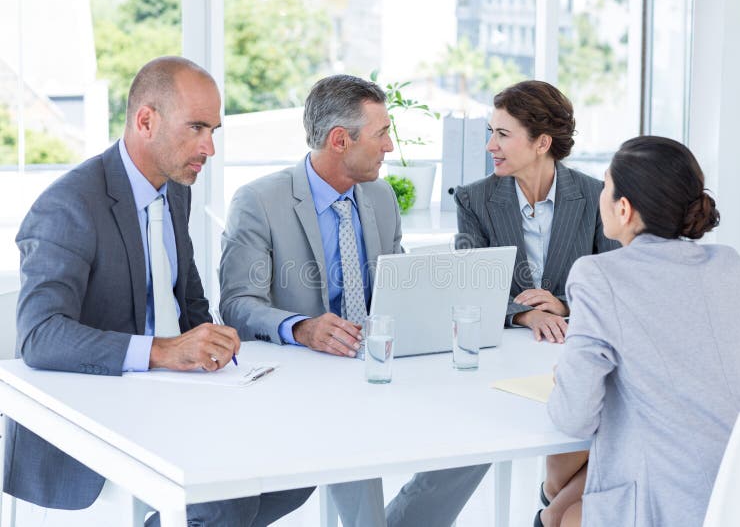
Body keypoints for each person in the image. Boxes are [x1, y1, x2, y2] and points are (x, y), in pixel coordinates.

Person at [8, 56, 313, 526]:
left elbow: (187, 300)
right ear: (145, 121)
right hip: (101, 407)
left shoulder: (175, 189)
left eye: (214, 129)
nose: (209, 147)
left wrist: (213, 340)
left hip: (179, 399)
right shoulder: (68, 205)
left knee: (296, 467)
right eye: (196, 128)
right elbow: (39, 337)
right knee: (224, 502)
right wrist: (163, 351)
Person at [219, 74, 488, 527]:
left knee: (479, 434)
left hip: (381, 363)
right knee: (348, 435)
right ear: (340, 140)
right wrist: (301, 327)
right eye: (382, 133)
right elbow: (237, 303)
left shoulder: (381, 197)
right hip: (309, 379)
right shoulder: (259, 201)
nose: (389, 147)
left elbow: (398, 283)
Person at [547, 135, 740, 527]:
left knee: (559, 502)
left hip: (671, 505)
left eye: (606, 187)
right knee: (557, 505)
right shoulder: (727, 265)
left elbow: (573, 418)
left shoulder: (599, 275)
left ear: (624, 209)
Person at [453, 80, 618, 524]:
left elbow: (618, 283)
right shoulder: (475, 199)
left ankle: (551, 504)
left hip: (576, 353)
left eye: (503, 134)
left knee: (599, 424)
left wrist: (563, 305)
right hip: (503, 358)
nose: (491, 145)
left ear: (542, 142)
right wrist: (523, 313)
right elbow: (468, 283)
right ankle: (553, 507)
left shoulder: (595, 196)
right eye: (492, 132)